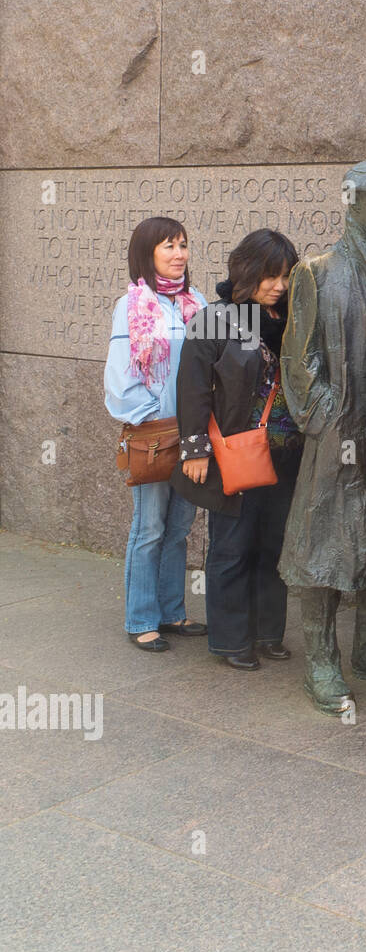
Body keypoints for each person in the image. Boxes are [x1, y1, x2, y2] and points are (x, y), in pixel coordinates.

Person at [278, 161, 366, 717]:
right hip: (339, 436)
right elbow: (298, 359)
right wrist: (324, 418)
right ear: (352, 203)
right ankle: (320, 656)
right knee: (325, 551)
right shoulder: (318, 272)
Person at [172, 229, 303, 670]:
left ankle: (268, 632)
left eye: (285, 276)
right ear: (247, 271)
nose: (279, 286)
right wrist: (194, 450)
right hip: (235, 453)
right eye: (270, 276)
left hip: (286, 453)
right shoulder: (215, 318)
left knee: (273, 545)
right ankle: (230, 639)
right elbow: (192, 388)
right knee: (232, 547)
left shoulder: (293, 318)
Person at [105, 217, 207, 651]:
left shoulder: (196, 302)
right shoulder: (131, 307)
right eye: (169, 246)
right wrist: (153, 418)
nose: (179, 253)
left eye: (183, 245)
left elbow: (212, 363)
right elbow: (120, 375)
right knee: (148, 526)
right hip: (155, 433)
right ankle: (141, 617)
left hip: (194, 433)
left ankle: (172, 612)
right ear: (147, 254)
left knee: (180, 526)